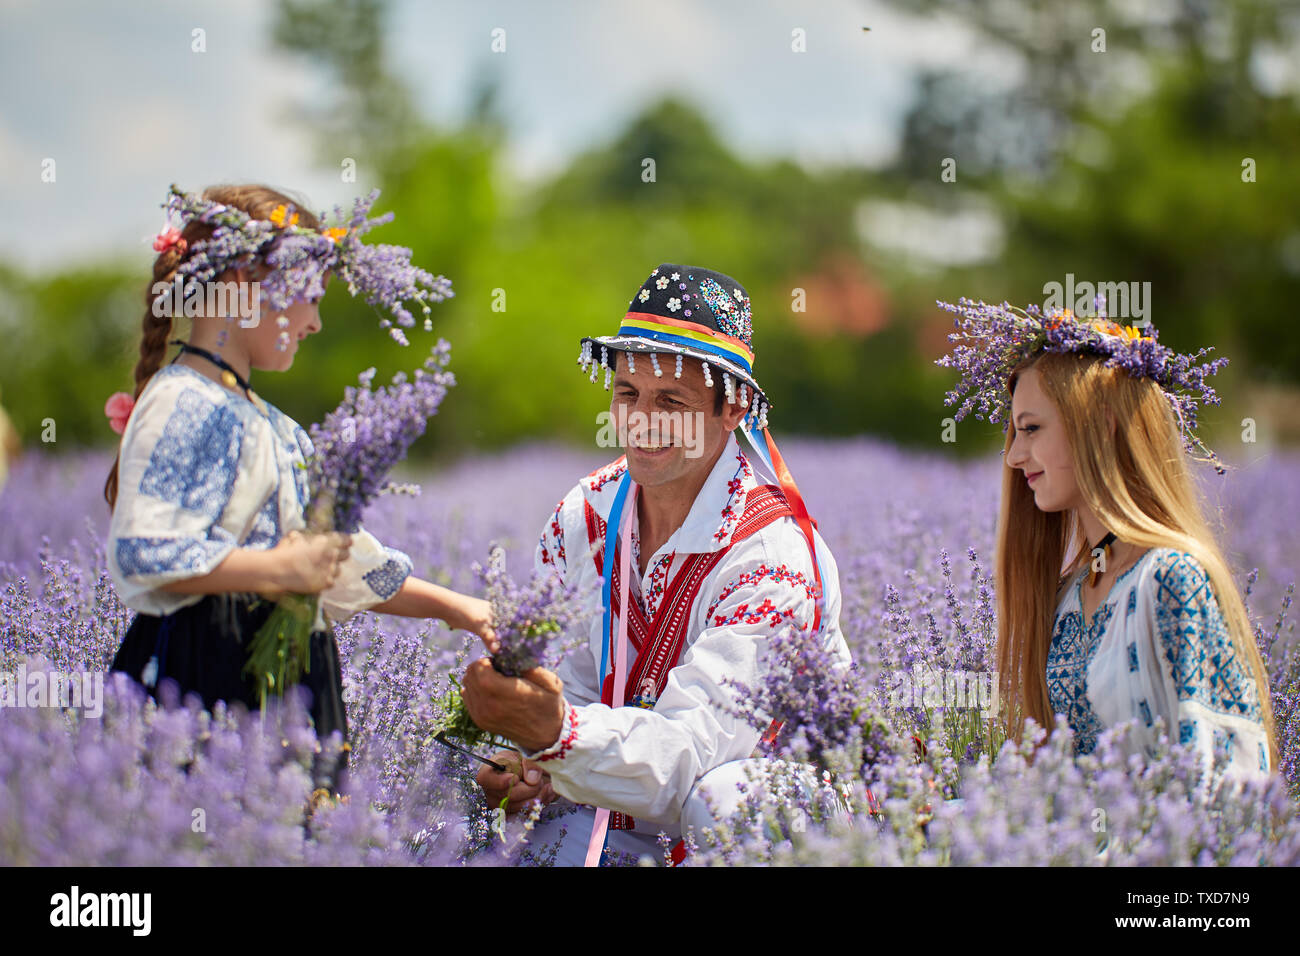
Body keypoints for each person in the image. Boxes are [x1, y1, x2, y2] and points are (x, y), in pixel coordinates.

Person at [104, 183, 494, 792]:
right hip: (204, 672)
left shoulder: (278, 429)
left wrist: (459, 609)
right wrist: (279, 567)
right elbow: (146, 551)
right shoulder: (184, 402)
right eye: (308, 297)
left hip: (292, 681)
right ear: (241, 283)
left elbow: (345, 565)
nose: (314, 322)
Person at [461, 263, 851, 865]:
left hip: (760, 816)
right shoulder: (585, 515)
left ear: (734, 409)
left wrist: (556, 738)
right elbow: (570, 685)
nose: (641, 419)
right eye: (627, 393)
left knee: (728, 802)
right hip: (620, 802)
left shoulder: (771, 555)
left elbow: (696, 754)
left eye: (671, 399)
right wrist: (519, 760)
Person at [936, 298, 1278, 785]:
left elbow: (1226, 785)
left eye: (1031, 429)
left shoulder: (1172, 578)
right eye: (1014, 432)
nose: (1013, 455)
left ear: (1100, 426)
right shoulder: (1070, 592)